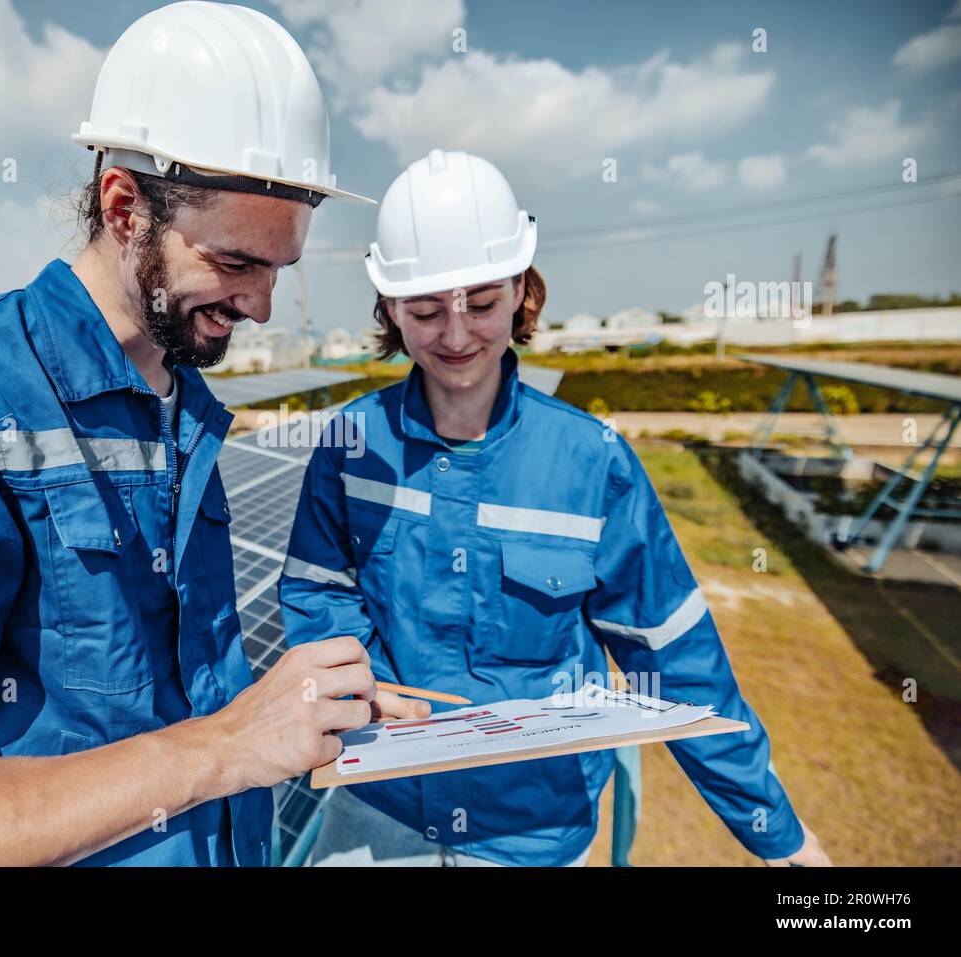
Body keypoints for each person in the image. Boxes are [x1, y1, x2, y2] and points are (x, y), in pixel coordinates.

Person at [0, 0, 395, 867]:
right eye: (235, 262)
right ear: (124, 205)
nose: (262, 306)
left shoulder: (179, 409)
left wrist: (302, 715)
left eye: (278, 267)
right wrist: (230, 743)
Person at [279, 149, 832, 867]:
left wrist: (774, 832)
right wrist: (360, 688)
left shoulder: (593, 463)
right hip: (383, 801)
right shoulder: (352, 445)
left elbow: (676, 657)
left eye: (480, 303)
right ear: (388, 305)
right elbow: (318, 590)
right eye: (423, 310)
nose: (455, 336)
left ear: (520, 289)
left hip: (531, 834)